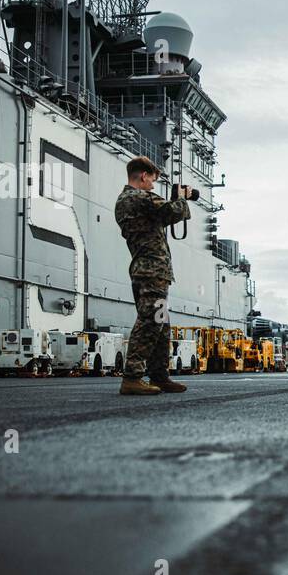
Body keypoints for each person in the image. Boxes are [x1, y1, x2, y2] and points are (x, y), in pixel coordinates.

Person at [114, 155, 192, 396]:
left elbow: (160, 215)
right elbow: (172, 213)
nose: (152, 186)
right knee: (151, 322)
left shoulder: (126, 200)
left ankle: (159, 375)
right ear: (144, 176)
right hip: (152, 272)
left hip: (145, 270)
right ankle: (133, 377)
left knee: (161, 325)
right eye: (152, 182)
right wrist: (182, 197)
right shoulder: (138, 197)